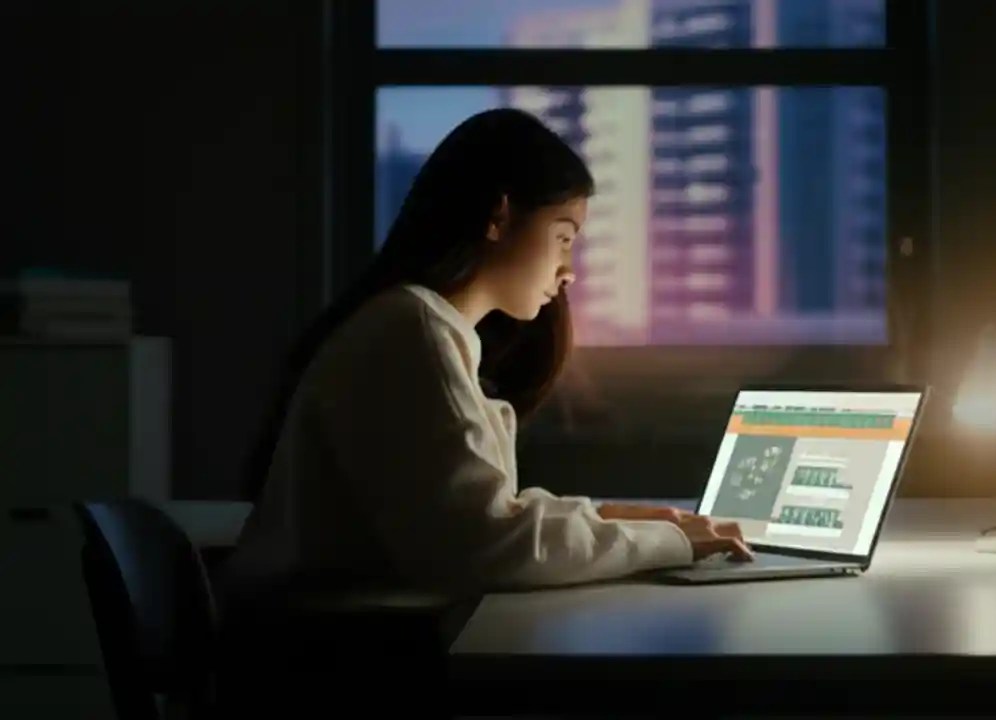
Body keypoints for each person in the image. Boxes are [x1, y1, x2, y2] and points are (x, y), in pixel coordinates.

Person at [218, 108, 753, 606]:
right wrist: (663, 542)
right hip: (323, 663)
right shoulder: (413, 328)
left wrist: (615, 519)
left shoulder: (413, 323)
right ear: (498, 217)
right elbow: (481, 545)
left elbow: (477, 518)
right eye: (564, 237)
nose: (570, 271)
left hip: (331, 638)